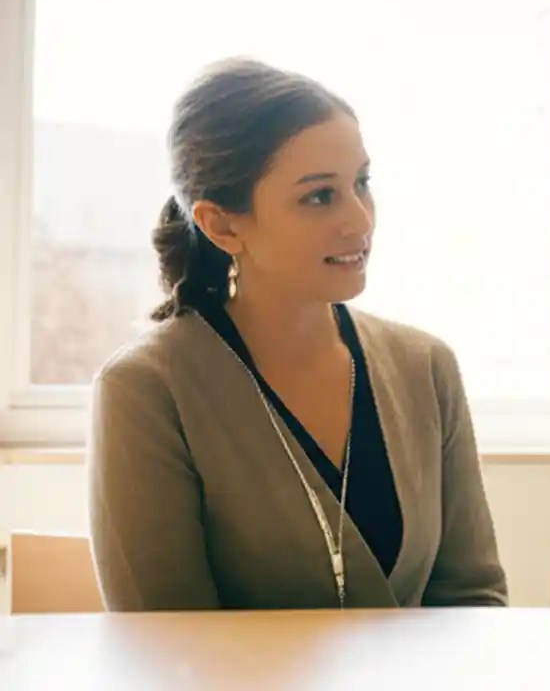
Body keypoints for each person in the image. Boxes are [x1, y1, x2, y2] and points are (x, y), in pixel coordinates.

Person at [88, 58, 507, 611]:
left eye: (362, 183)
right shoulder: (146, 389)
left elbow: (473, 602)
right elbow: (166, 643)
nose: (359, 220)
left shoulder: (426, 367)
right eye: (319, 196)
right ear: (222, 224)